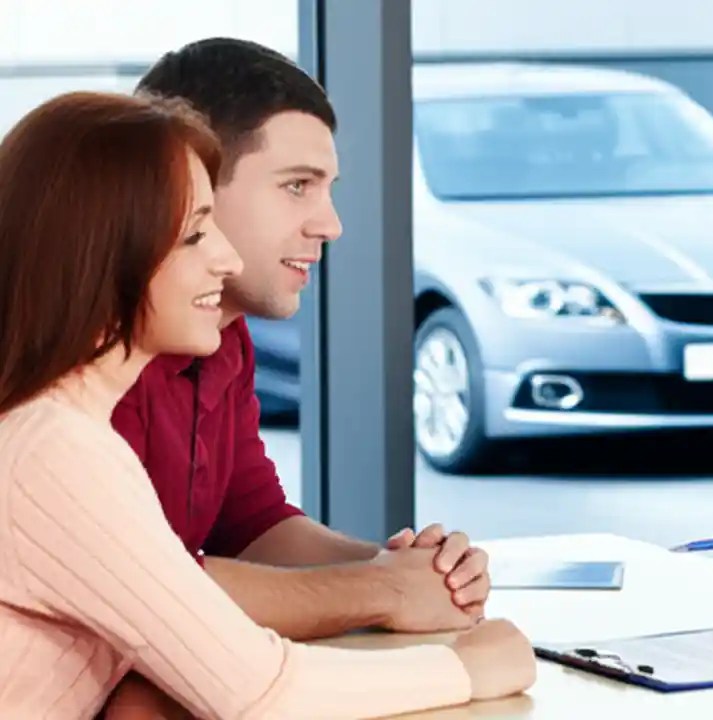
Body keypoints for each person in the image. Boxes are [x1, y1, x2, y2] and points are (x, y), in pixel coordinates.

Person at [0, 90, 535, 719]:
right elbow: (262, 692)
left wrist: (400, 572)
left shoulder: (66, 433)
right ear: (104, 258)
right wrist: (473, 665)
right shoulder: (56, 451)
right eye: (196, 235)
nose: (224, 258)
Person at [109, 37, 489, 645]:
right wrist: (383, 590)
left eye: (328, 187)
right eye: (297, 186)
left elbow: (253, 524)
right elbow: (136, 587)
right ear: (187, 186)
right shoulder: (92, 357)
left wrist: (415, 573)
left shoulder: (223, 340)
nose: (330, 224)